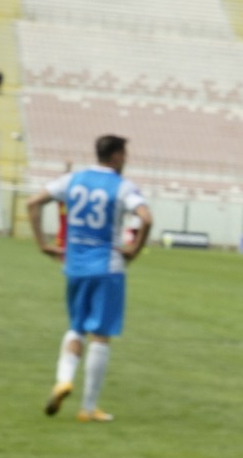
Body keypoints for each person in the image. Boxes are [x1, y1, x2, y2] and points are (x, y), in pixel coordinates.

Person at [26, 134, 152, 424]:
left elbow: (33, 203)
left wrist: (42, 244)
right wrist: (133, 250)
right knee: (101, 334)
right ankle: (88, 407)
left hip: (75, 265)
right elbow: (146, 218)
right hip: (107, 268)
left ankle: (63, 380)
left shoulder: (72, 180)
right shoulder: (123, 187)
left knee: (76, 327)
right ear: (118, 156)